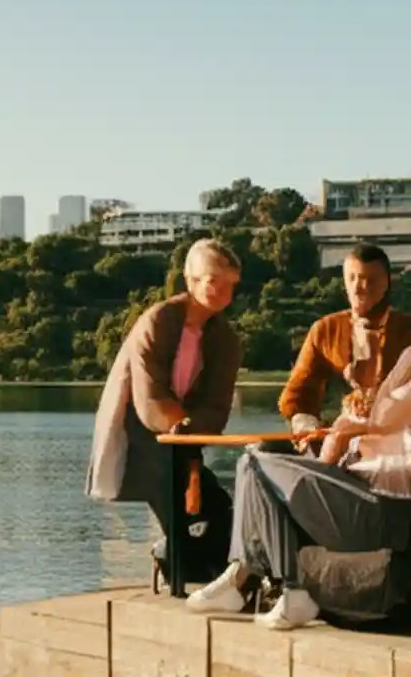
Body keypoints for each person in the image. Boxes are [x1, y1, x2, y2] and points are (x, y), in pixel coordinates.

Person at [186, 340, 411, 629]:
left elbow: (389, 434)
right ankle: (240, 575)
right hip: (356, 482)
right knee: (252, 461)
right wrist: (349, 431)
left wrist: (357, 429)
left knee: (256, 462)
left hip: (386, 507)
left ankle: (286, 588)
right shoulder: (406, 357)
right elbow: (377, 421)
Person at [87, 238, 245, 584]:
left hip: (184, 439)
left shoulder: (226, 339)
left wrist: (193, 428)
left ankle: (195, 570)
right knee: (177, 506)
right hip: (143, 432)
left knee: (214, 507)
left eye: (228, 283)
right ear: (191, 280)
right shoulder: (158, 320)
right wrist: (180, 426)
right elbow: (149, 393)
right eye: (211, 280)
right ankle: (177, 570)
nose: (220, 290)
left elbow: (217, 403)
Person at [279, 244, 411, 443]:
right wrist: (307, 427)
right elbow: (297, 397)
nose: (359, 288)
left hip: (399, 441)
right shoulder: (326, 330)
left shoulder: (407, 330)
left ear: (387, 283)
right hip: (340, 440)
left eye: (370, 280)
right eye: (352, 278)